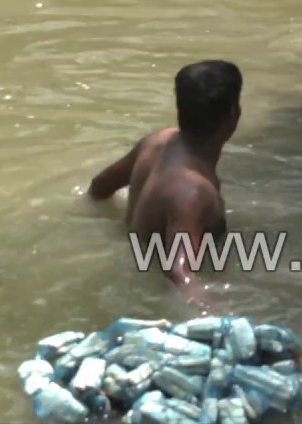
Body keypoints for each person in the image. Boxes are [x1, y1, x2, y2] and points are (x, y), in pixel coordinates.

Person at [86, 60, 242, 309]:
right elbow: (178, 274)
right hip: (148, 295)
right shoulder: (192, 193)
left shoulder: (157, 142)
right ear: (233, 113)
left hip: (137, 258)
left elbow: (99, 188)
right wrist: (217, 313)